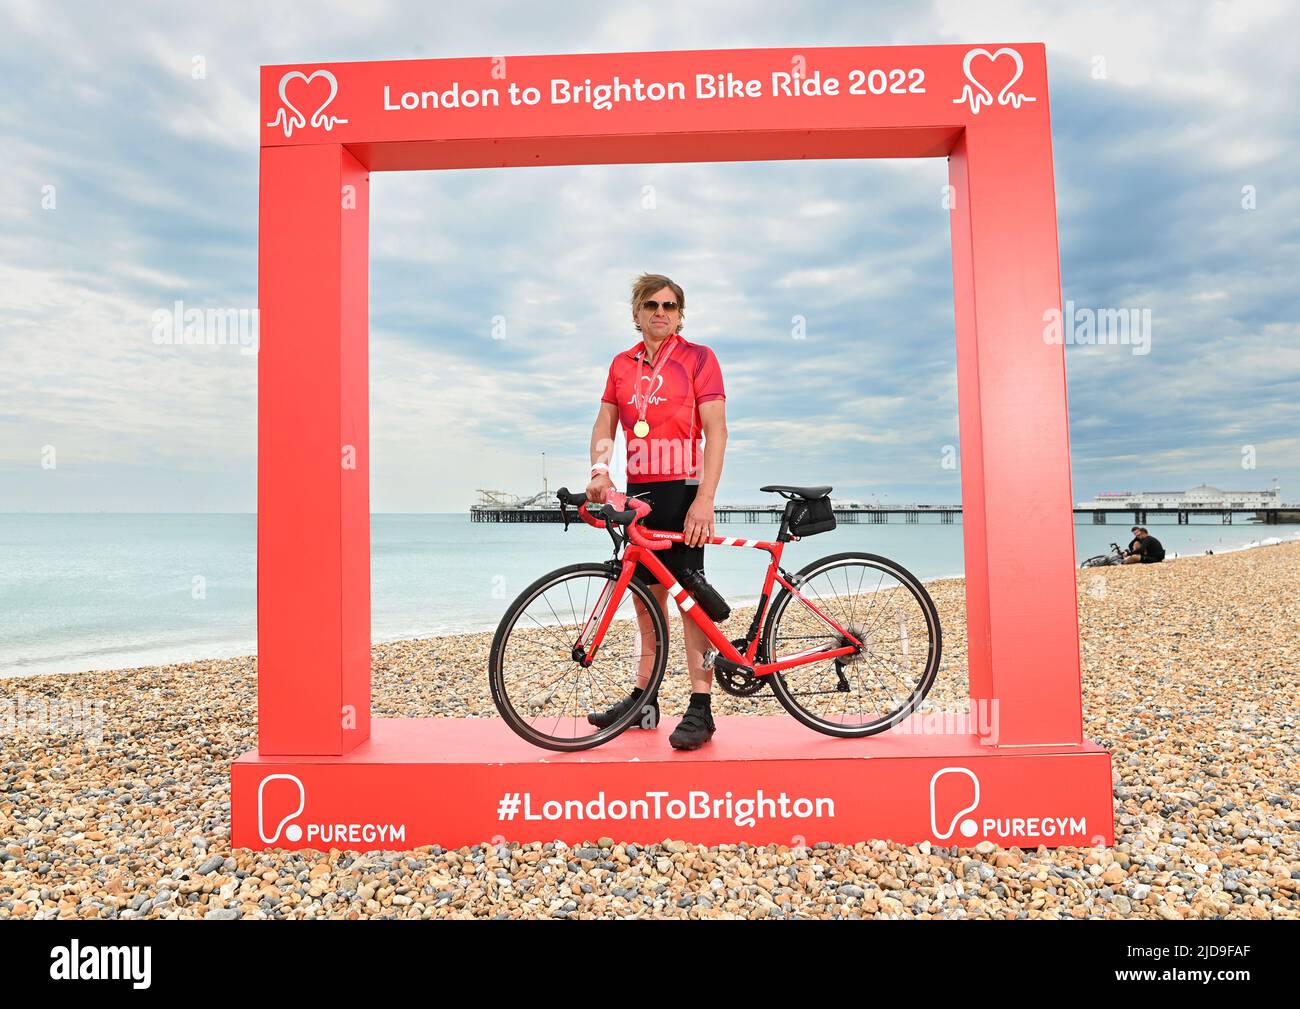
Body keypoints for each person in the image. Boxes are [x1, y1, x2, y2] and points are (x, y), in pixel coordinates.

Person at [583, 273, 728, 750]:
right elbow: (606, 420)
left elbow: (717, 431)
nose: (660, 312)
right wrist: (601, 469)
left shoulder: (699, 358)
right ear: (637, 314)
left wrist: (705, 498)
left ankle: (701, 706)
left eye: (670, 305)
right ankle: (645, 699)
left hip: (684, 489)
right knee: (646, 600)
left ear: (681, 314)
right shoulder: (621, 365)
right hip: (640, 490)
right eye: (651, 305)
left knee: (689, 602)